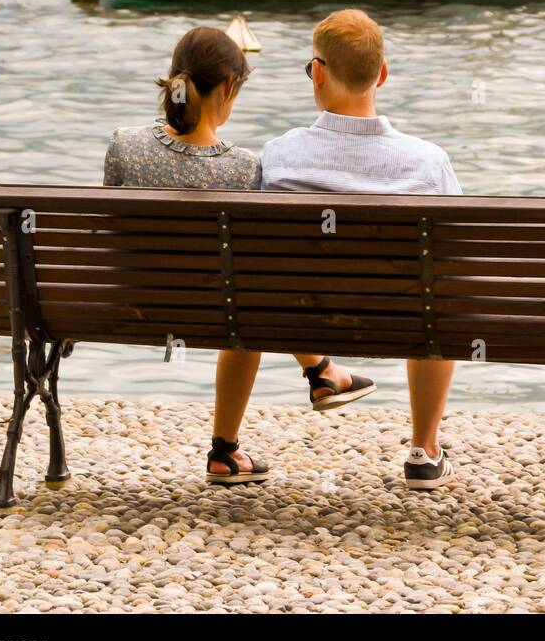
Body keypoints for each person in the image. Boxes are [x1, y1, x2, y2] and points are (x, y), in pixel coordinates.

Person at [103, 25, 374, 487]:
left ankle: (320, 371)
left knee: (244, 289)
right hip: (224, 315)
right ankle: (241, 435)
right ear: (229, 87)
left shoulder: (124, 146)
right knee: (248, 293)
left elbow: (108, 235)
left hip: (129, 307)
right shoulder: (245, 167)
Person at [261, 9, 462, 489]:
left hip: (297, 316)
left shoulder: (279, 155)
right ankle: (424, 448)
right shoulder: (429, 164)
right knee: (438, 295)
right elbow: (456, 258)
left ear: (319, 74)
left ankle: (316, 370)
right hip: (408, 318)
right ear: (383, 75)